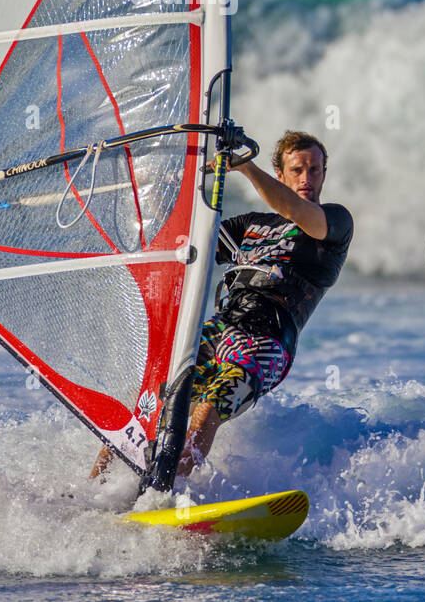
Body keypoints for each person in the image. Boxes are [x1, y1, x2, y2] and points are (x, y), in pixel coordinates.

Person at [90, 128, 353, 483]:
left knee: (207, 410)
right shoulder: (251, 225)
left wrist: (245, 167)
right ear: (281, 173)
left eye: (315, 170)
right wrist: (167, 187)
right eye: (297, 170)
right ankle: (93, 490)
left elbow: (293, 209)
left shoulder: (335, 222)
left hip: (267, 341)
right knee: (148, 406)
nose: (307, 178)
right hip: (218, 329)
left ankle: (162, 496)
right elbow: (184, 242)